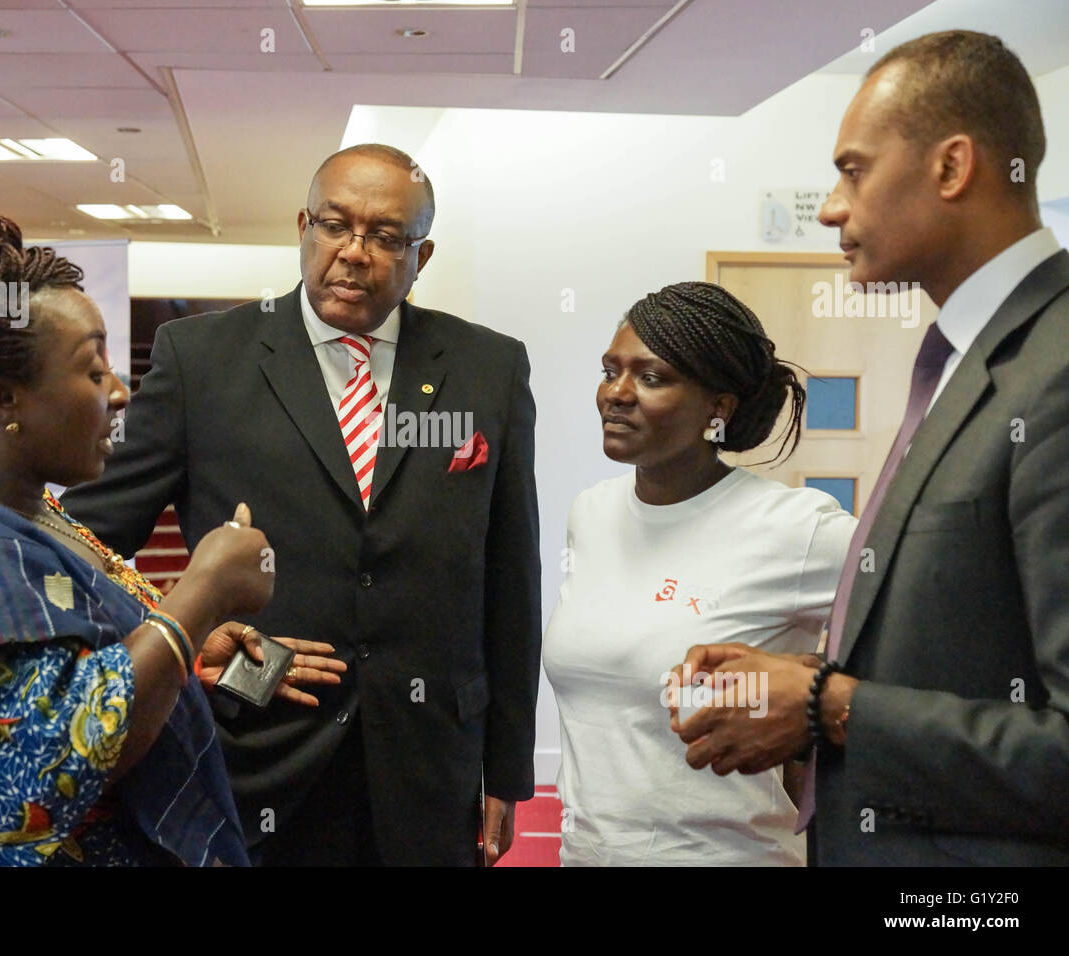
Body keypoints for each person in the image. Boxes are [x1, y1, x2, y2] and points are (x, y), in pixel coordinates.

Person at [60, 143, 542, 866]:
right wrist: (186, 638)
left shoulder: (489, 367)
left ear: (423, 254)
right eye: (334, 225)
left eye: (385, 237)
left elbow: (511, 578)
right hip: (254, 747)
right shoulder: (201, 360)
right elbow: (83, 544)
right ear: (302, 228)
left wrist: (506, 767)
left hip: (430, 763)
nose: (354, 253)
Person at [0, 210, 345, 867]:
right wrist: (200, 597)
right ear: (2, 399)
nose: (120, 393)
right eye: (92, 371)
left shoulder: (26, 513)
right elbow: (33, 787)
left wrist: (187, 658)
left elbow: (66, 672)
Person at [670, 30, 1069, 865]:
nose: (830, 207)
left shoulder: (1056, 367)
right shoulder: (972, 358)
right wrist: (805, 683)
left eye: (853, 169)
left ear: (952, 168)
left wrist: (830, 704)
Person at [542, 282, 856, 865]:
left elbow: (926, 625)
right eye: (610, 371)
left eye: (652, 377)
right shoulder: (592, 513)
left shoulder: (798, 528)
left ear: (719, 408)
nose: (617, 394)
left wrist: (817, 686)